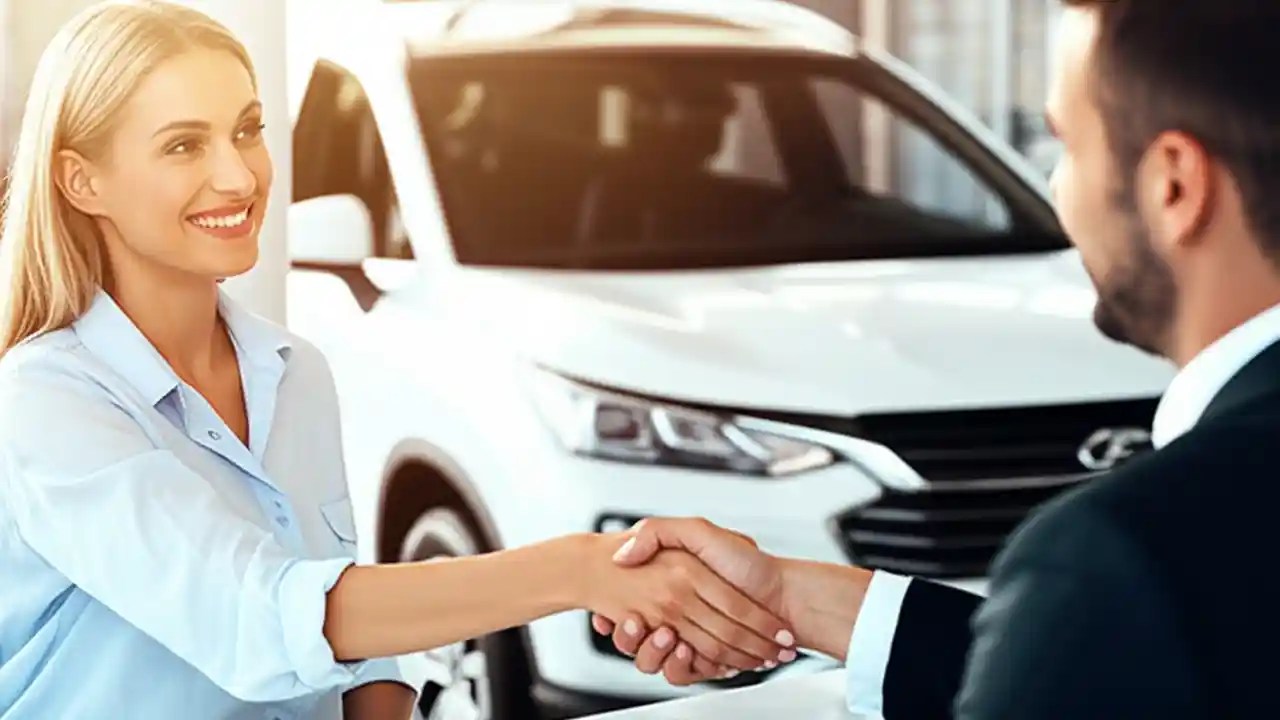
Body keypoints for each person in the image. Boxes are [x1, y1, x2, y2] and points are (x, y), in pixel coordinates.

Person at [0, 3, 796, 718]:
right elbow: (263, 617)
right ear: (82, 181)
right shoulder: (46, 403)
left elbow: (353, 641)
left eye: (247, 129)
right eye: (183, 145)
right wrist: (585, 570)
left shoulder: (294, 373)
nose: (239, 175)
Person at [594, 1, 1280, 717]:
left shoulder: (1121, 556)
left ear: (1174, 184)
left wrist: (1072, 594)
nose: (1055, 189)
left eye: (1068, 148)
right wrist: (790, 598)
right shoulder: (1157, 572)